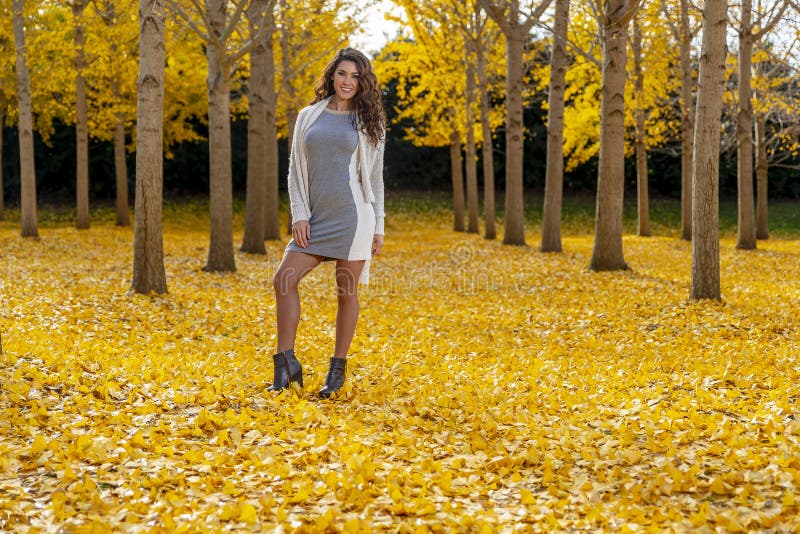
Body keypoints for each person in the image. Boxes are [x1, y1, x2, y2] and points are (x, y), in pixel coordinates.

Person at [270, 48, 385, 399]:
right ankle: (286, 364)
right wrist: (299, 214)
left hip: (354, 218)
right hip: (315, 219)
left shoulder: (369, 122)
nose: (348, 82)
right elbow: (294, 169)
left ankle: (337, 370)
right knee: (283, 280)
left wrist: (379, 224)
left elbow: (375, 176)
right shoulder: (308, 116)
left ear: (362, 82)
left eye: (355, 76)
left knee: (345, 292)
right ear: (332, 76)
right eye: (342, 74)